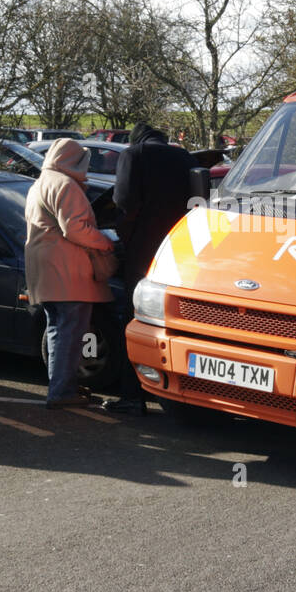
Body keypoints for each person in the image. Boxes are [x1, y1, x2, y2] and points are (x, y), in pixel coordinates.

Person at [102, 122, 199, 415]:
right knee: (176, 328)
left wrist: (125, 239)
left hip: (143, 255)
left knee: (134, 323)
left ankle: (133, 396)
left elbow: (124, 203)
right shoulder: (185, 158)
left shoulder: (134, 155)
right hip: (182, 255)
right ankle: (179, 395)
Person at [24, 138, 114, 409]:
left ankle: (60, 387)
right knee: (71, 333)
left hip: (46, 271)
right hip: (68, 271)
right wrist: (105, 242)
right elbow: (75, 229)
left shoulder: (41, 182)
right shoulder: (65, 185)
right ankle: (62, 391)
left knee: (57, 331)